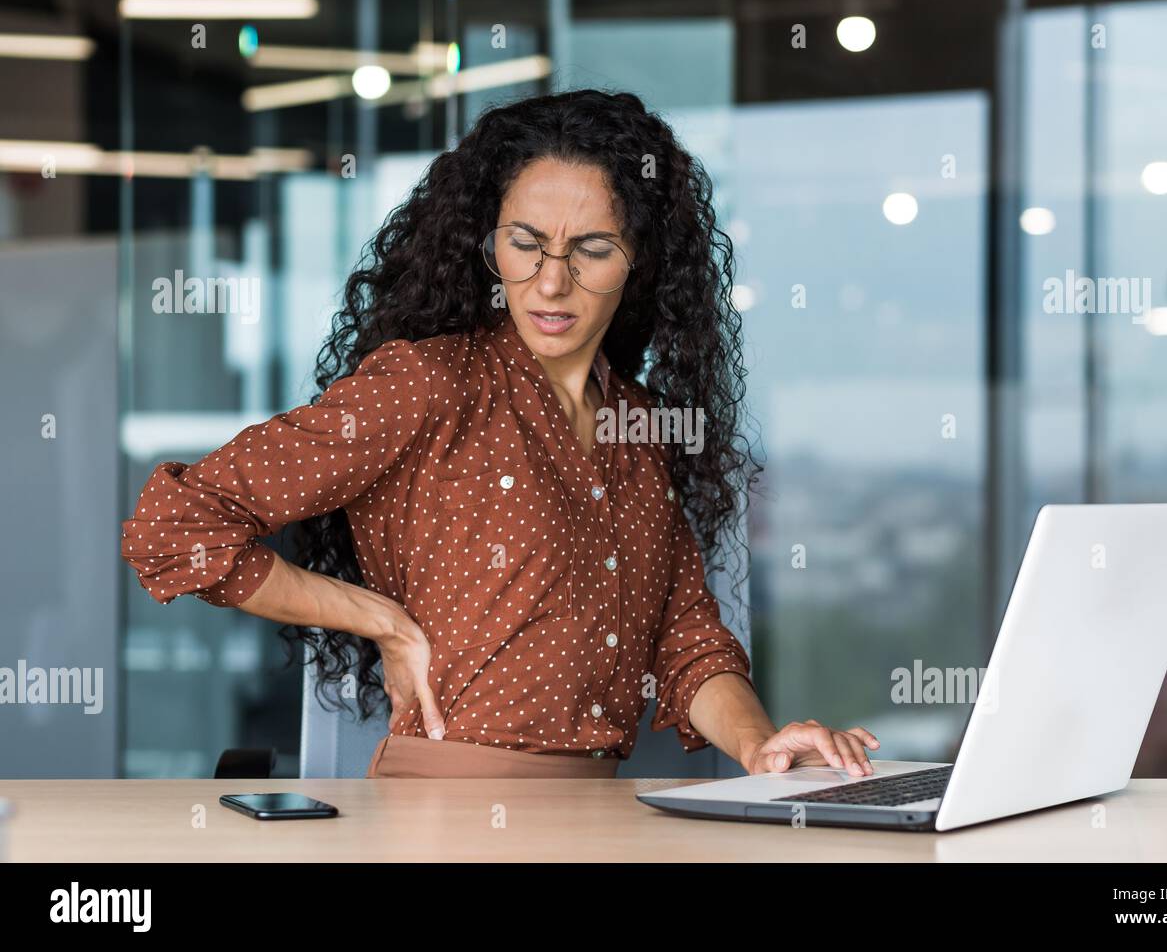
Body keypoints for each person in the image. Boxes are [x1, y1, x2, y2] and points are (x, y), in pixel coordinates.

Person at [122, 88, 879, 779]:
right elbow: (176, 528)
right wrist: (379, 619)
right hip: (448, 825)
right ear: (488, 244)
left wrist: (760, 744)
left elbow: (688, 644)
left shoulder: (642, 427)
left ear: (640, 263)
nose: (552, 283)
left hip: (610, 823)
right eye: (526, 243)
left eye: (592, 250)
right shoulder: (427, 385)